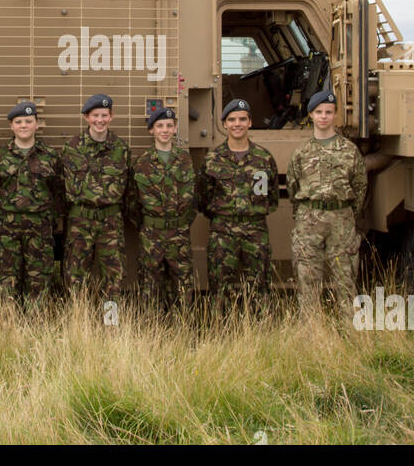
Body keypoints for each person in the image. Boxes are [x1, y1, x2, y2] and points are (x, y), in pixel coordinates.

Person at [287, 90, 367, 316]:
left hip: (341, 219)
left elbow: (360, 186)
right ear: (311, 115)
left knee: (346, 278)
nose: (323, 117)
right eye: (319, 112)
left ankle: (350, 328)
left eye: (328, 112)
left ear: (335, 115)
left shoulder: (349, 150)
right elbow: (293, 187)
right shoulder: (301, 152)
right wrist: (305, 213)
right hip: (309, 219)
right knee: (307, 280)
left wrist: (346, 213)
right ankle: (311, 330)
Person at [196, 98, 279, 305]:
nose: (237, 124)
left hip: (256, 231)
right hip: (223, 232)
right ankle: (220, 325)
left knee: (260, 288)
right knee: (219, 288)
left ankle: (259, 324)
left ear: (250, 122)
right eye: (232, 120)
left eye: (242, 119)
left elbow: (272, 197)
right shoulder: (213, 159)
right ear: (224, 124)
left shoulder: (264, 158)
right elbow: (203, 198)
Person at [0, 100, 62, 303]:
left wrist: (50, 219)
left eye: (28, 121)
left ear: (37, 124)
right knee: (5, 277)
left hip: (40, 228)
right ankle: (7, 319)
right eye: (18, 122)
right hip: (6, 228)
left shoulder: (50, 157)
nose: (23, 126)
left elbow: (58, 192)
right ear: (11, 126)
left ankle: (36, 319)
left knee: (39, 278)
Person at [60, 93, 131, 302]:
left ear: (111, 116)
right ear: (86, 117)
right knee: (75, 275)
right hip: (80, 220)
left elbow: (129, 188)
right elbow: (60, 185)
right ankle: (79, 317)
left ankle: (111, 318)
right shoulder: (72, 147)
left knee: (114, 275)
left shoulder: (121, 148)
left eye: (104, 115)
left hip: (111, 221)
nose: (100, 120)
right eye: (95, 115)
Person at [126, 107, 197, 311]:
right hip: (151, 234)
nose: (164, 130)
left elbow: (194, 199)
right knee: (150, 286)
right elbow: (132, 202)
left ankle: (183, 327)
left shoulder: (185, 159)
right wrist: (148, 224)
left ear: (175, 129)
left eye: (169, 126)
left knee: (183, 285)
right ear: (152, 130)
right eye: (159, 126)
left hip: (179, 233)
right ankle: (151, 327)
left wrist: (180, 223)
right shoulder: (142, 162)